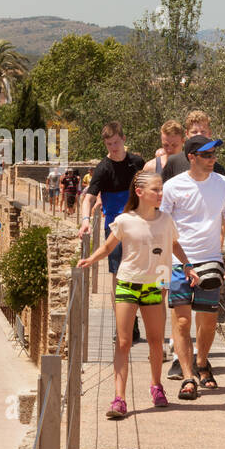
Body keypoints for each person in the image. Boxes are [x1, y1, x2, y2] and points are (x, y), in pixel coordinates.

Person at [78, 171, 192, 418]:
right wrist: (90, 259)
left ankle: (156, 386)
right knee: (123, 341)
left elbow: (173, 245)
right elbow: (109, 246)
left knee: (155, 341)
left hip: (156, 282)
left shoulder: (166, 219)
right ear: (139, 192)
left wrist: (188, 266)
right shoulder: (124, 220)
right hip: (128, 282)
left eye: (161, 190)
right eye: (156, 190)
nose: (160, 195)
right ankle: (119, 398)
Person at [162, 135, 225, 400]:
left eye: (214, 154)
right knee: (182, 321)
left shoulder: (224, 185)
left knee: (208, 323)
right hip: (178, 262)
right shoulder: (173, 186)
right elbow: (162, 227)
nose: (212, 159)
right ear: (192, 158)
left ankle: (202, 362)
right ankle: (187, 377)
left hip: (210, 261)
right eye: (207, 155)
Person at [79, 122, 146, 345]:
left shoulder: (137, 162)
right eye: (109, 144)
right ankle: (123, 325)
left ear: (123, 139)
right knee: (118, 276)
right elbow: (89, 197)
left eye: (116, 142)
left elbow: (150, 187)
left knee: (141, 274)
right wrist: (85, 220)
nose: (113, 147)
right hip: (115, 228)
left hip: (140, 224)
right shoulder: (103, 168)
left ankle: (135, 319)